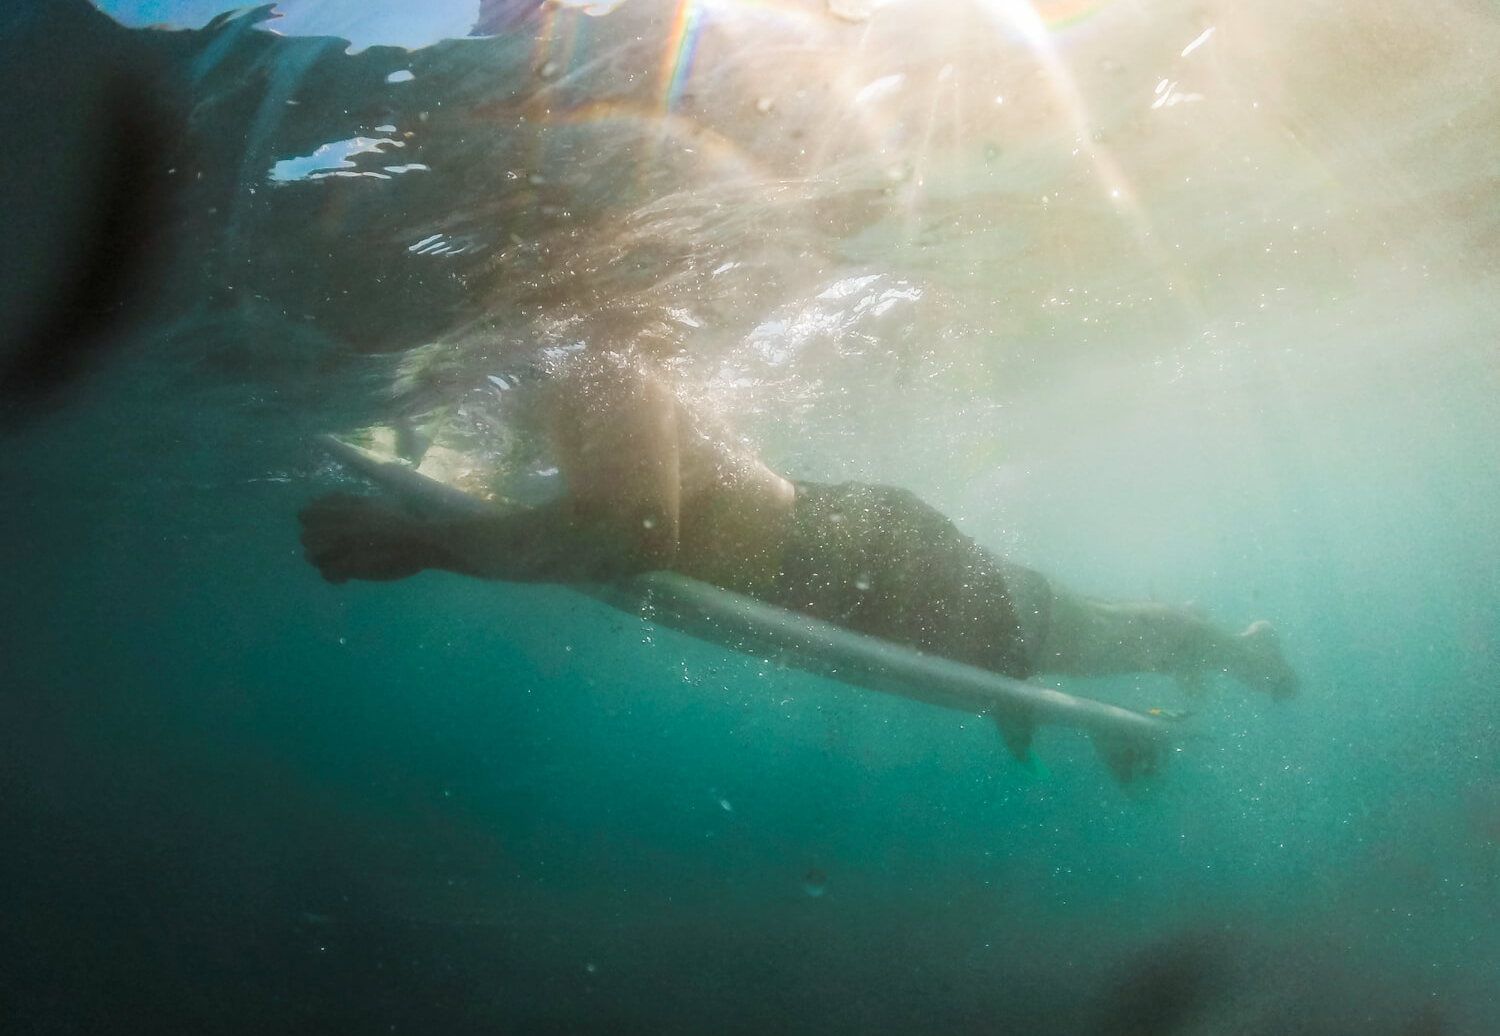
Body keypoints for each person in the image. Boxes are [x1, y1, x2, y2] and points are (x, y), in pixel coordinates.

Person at [299, 357, 1299, 699]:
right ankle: (1190, 637)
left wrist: (424, 544)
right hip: (828, 557)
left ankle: (1224, 643)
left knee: (1067, 641)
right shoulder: (530, 393)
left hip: (866, 560)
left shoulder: (592, 367)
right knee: (1059, 633)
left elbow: (626, 535)